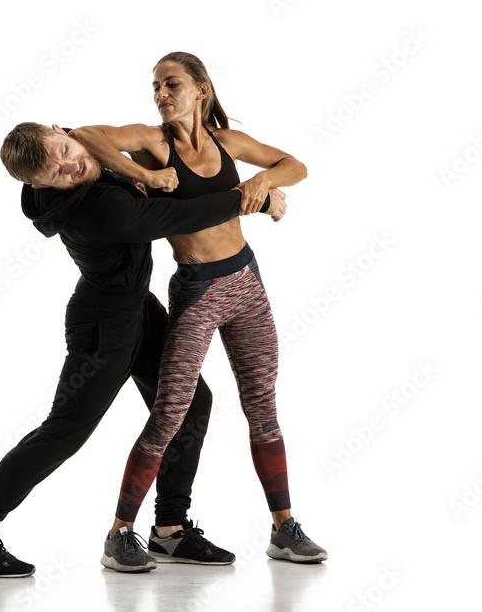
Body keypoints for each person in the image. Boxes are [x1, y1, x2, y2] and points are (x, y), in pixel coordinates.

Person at [0, 121, 284, 577]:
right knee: (64, 432)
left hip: (138, 308)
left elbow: (88, 136)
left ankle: (170, 530)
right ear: (38, 184)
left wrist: (126, 165)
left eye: (64, 148)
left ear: (57, 130)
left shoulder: (76, 147)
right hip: (104, 326)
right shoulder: (100, 210)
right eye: (57, 171)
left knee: (194, 402)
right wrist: (251, 198)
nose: (72, 163)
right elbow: (177, 216)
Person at [69, 52, 327, 569]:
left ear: (201, 89)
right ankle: (121, 534)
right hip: (198, 291)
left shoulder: (228, 143)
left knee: (263, 409)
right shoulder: (151, 142)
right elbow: (84, 134)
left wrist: (261, 183)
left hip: (248, 283)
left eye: (172, 84)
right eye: (156, 86)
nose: (162, 94)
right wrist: (139, 172)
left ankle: (284, 528)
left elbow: (295, 164)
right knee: (170, 412)